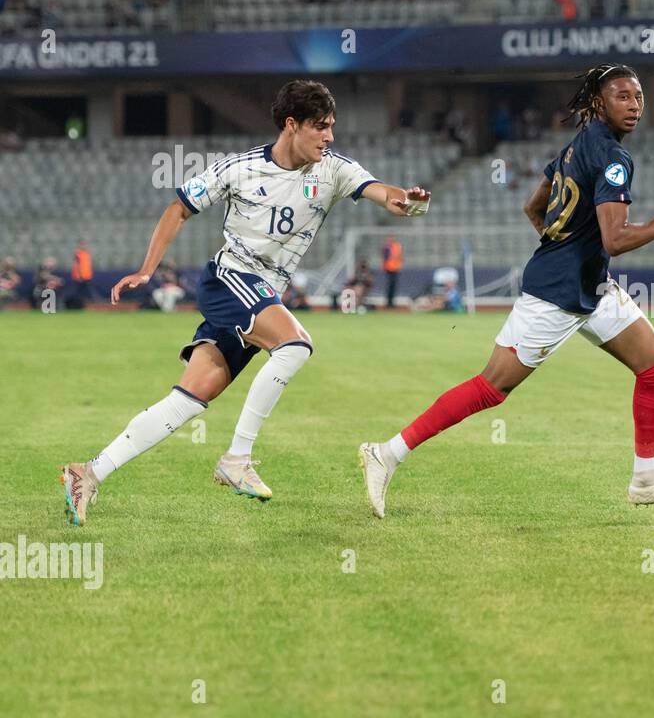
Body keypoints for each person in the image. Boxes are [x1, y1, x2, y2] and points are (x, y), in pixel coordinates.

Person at [59, 79, 430, 526]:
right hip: (229, 279)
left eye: (331, 127)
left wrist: (409, 202)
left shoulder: (334, 170)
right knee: (295, 345)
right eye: (320, 127)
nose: (329, 136)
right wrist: (147, 269)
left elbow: (384, 195)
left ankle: (88, 473)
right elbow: (178, 208)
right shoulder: (238, 169)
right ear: (292, 125)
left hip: (262, 293)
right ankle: (237, 459)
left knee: (189, 399)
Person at [357, 63, 654, 518]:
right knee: (492, 388)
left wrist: (560, 245)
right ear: (600, 103)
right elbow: (615, 240)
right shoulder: (614, 159)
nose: (635, 105)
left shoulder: (577, 146)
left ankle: (645, 480)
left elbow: (533, 205)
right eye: (623, 96)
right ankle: (386, 453)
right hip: (557, 294)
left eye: (639, 96)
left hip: (590, 288)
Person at [68, 239, 93, 309]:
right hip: (79, 277)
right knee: (77, 292)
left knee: (83, 292)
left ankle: (81, 304)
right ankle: (75, 305)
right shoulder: (78, 253)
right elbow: (76, 265)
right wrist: (78, 275)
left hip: (86, 276)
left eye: (85, 244)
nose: (84, 245)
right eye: (82, 244)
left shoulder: (86, 253)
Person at [382, 234, 403, 307]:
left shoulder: (398, 246)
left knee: (394, 286)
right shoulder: (387, 247)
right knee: (389, 286)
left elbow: (400, 257)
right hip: (389, 269)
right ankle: (388, 302)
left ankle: (392, 302)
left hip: (396, 268)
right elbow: (385, 258)